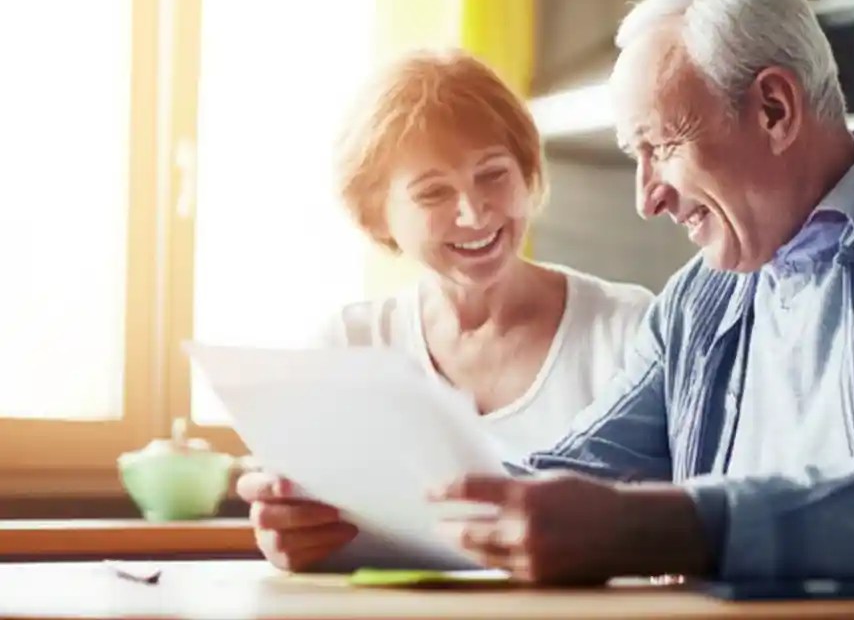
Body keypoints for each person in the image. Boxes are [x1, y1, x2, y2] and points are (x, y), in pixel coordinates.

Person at [254, 0, 854, 620]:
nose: (647, 196)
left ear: (773, 109)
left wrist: (648, 527)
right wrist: (349, 519)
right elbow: (556, 480)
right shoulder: (701, 300)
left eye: (658, 147)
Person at [236, 50, 653, 571]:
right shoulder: (349, 345)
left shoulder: (629, 327)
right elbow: (302, 522)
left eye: (493, 175)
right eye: (433, 192)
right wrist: (287, 536)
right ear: (377, 216)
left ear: (527, 175)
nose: (474, 213)